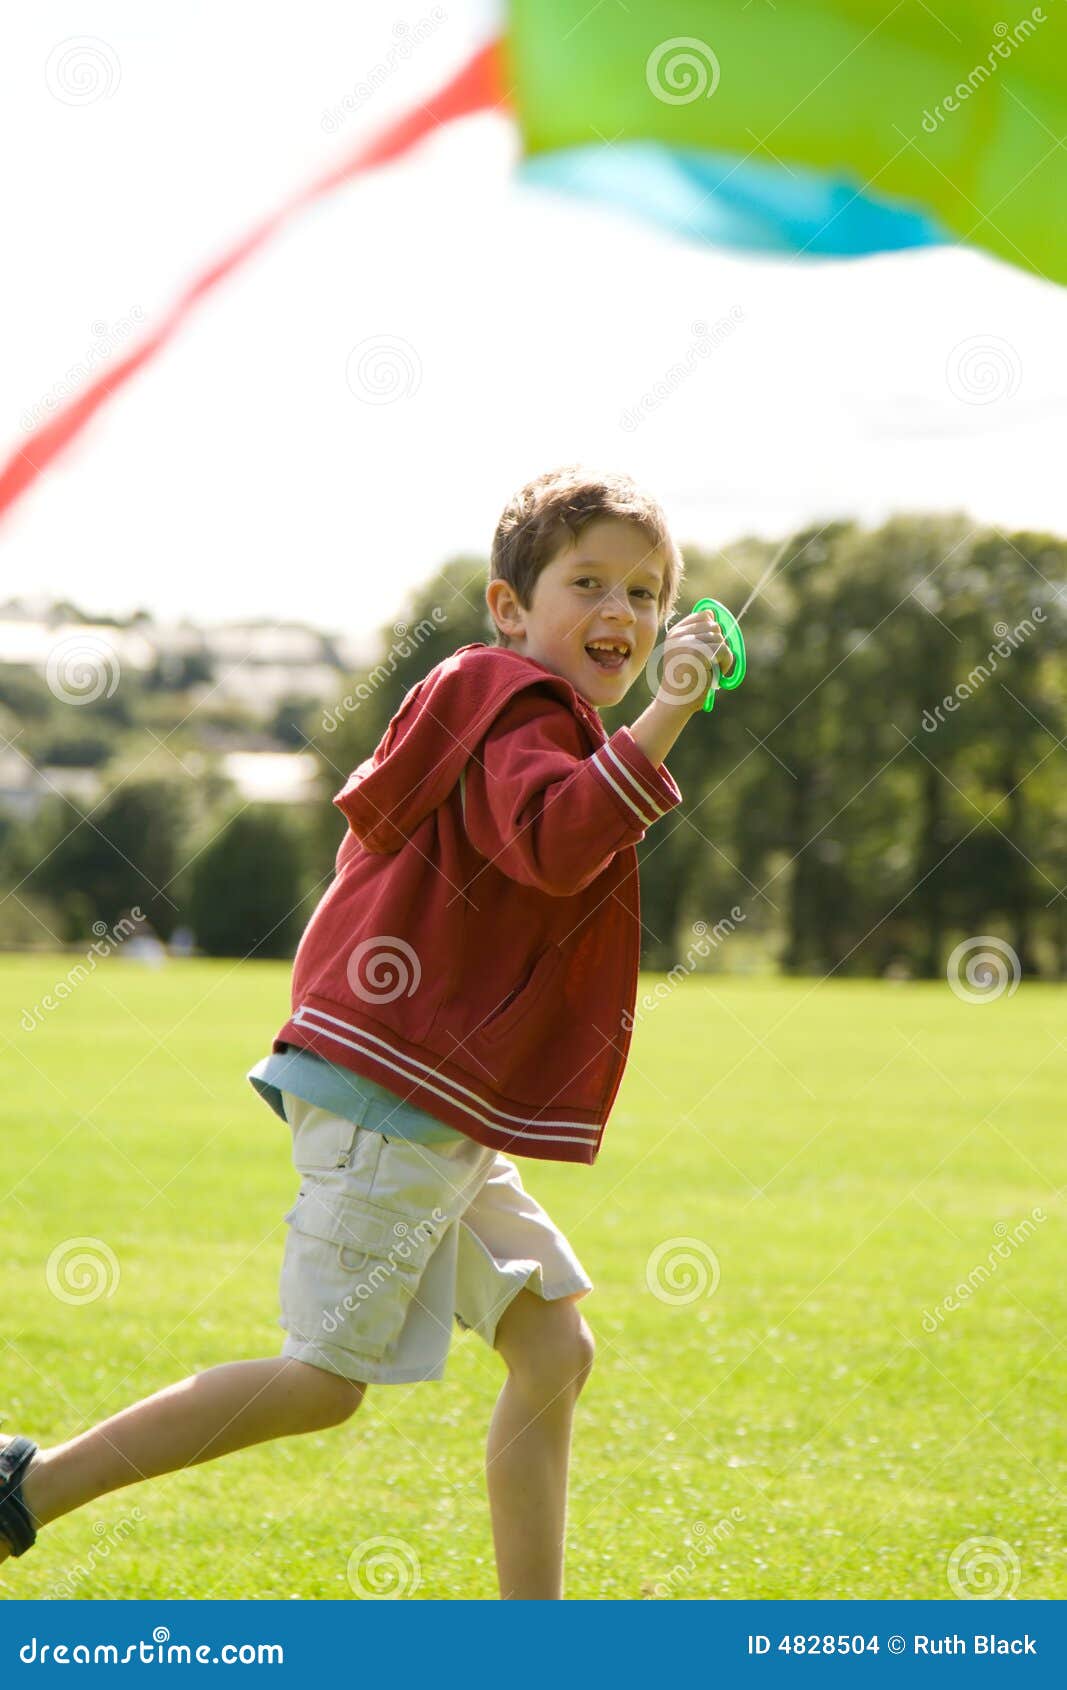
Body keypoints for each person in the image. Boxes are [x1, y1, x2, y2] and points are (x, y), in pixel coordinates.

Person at [0, 465, 732, 1599]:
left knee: (552, 1350)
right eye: (586, 582)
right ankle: (24, 1490)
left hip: (429, 1107)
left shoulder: (519, 712)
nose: (622, 614)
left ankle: (531, 1643)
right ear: (508, 607)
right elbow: (556, 836)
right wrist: (668, 712)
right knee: (321, 1383)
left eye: (644, 594)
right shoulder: (510, 705)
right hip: (391, 1103)